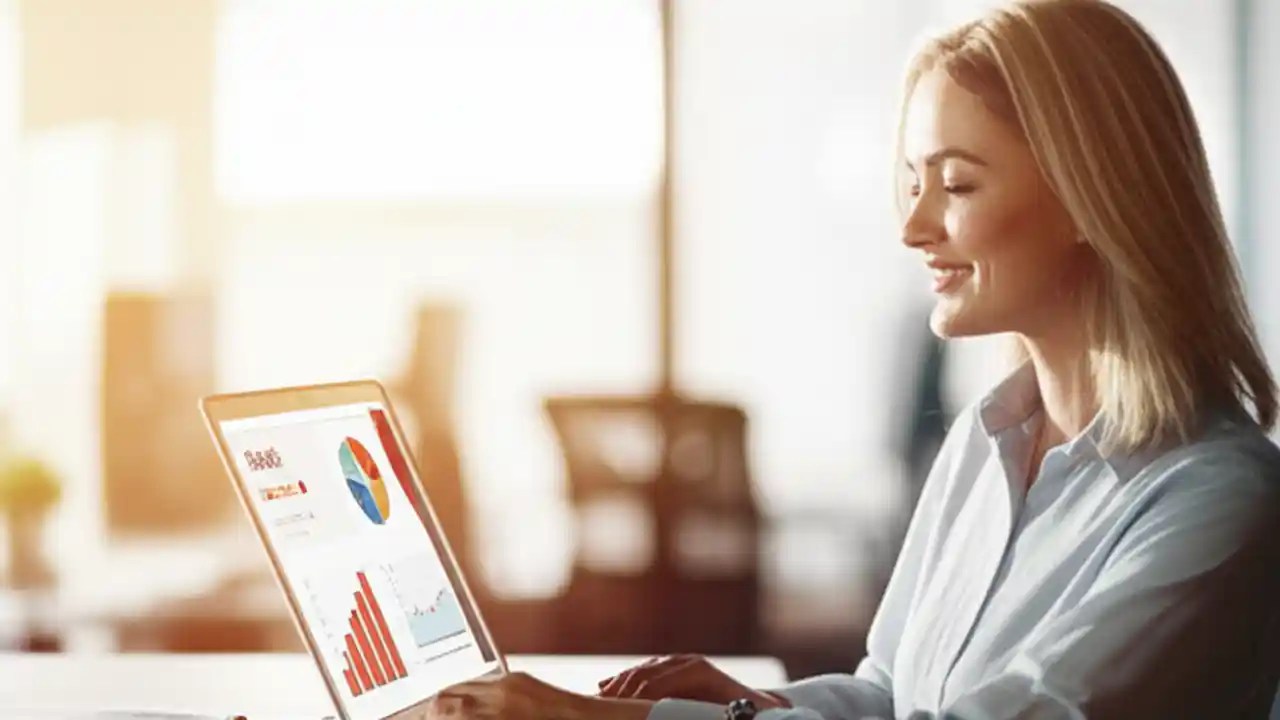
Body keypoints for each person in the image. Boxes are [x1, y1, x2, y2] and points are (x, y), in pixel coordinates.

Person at [426, 0, 1280, 717]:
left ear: (1092, 191)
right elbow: (889, 694)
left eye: (958, 184)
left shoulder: (1220, 500)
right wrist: (709, 711)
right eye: (914, 181)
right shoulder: (989, 444)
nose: (914, 227)